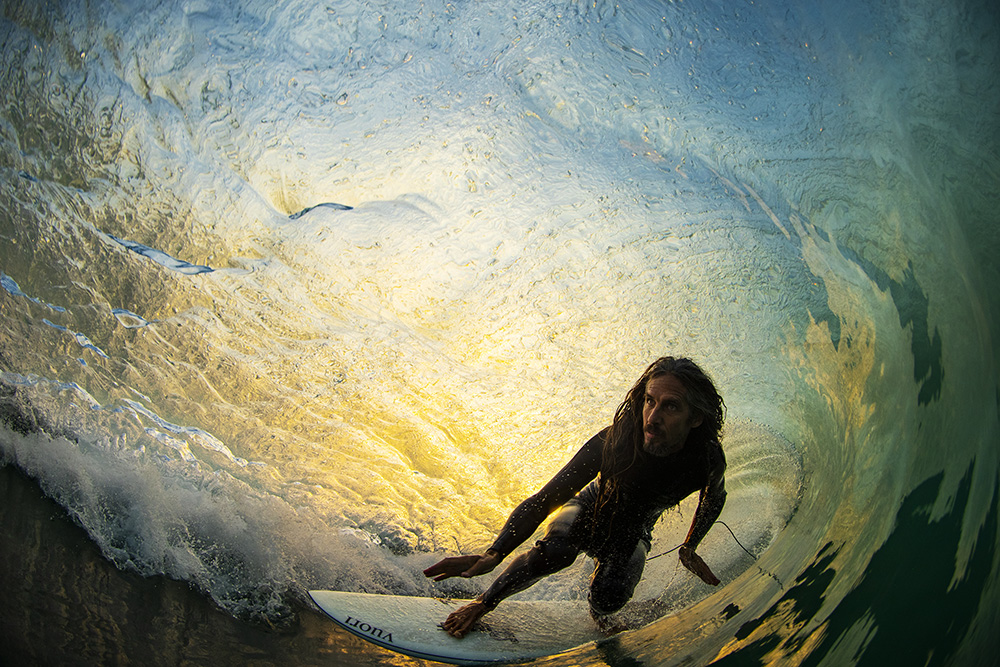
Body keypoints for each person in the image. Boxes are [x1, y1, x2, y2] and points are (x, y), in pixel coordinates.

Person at [423, 356, 727, 638]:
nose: (653, 417)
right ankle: (483, 602)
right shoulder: (614, 442)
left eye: (670, 406)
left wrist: (690, 546)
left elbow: (714, 498)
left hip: (634, 531)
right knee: (556, 553)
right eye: (649, 401)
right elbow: (544, 500)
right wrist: (494, 553)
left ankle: (600, 615)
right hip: (587, 510)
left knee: (610, 597)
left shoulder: (706, 461)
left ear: (696, 418)